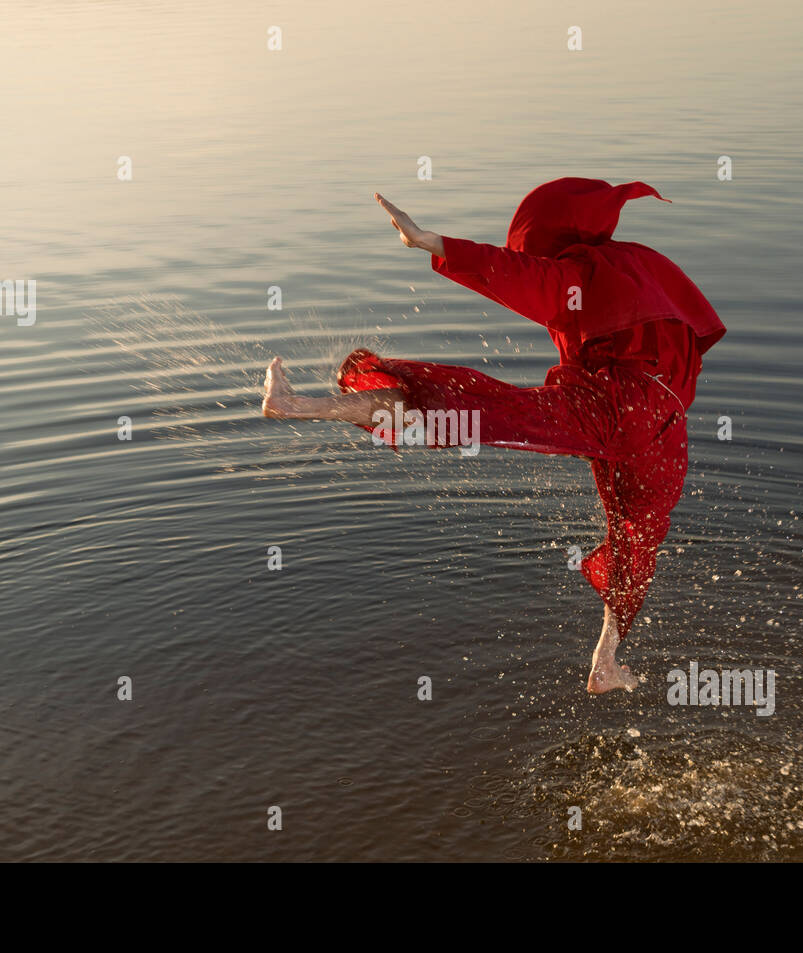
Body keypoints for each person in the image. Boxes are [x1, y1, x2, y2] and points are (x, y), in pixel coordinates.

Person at [262, 178, 725, 693]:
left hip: (612, 406)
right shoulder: (642, 264)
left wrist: (432, 243)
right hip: (664, 425)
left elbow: (524, 276)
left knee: (467, 408)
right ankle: (606, 659)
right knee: (638, 534)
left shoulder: (579, 271)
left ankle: (299, 405)